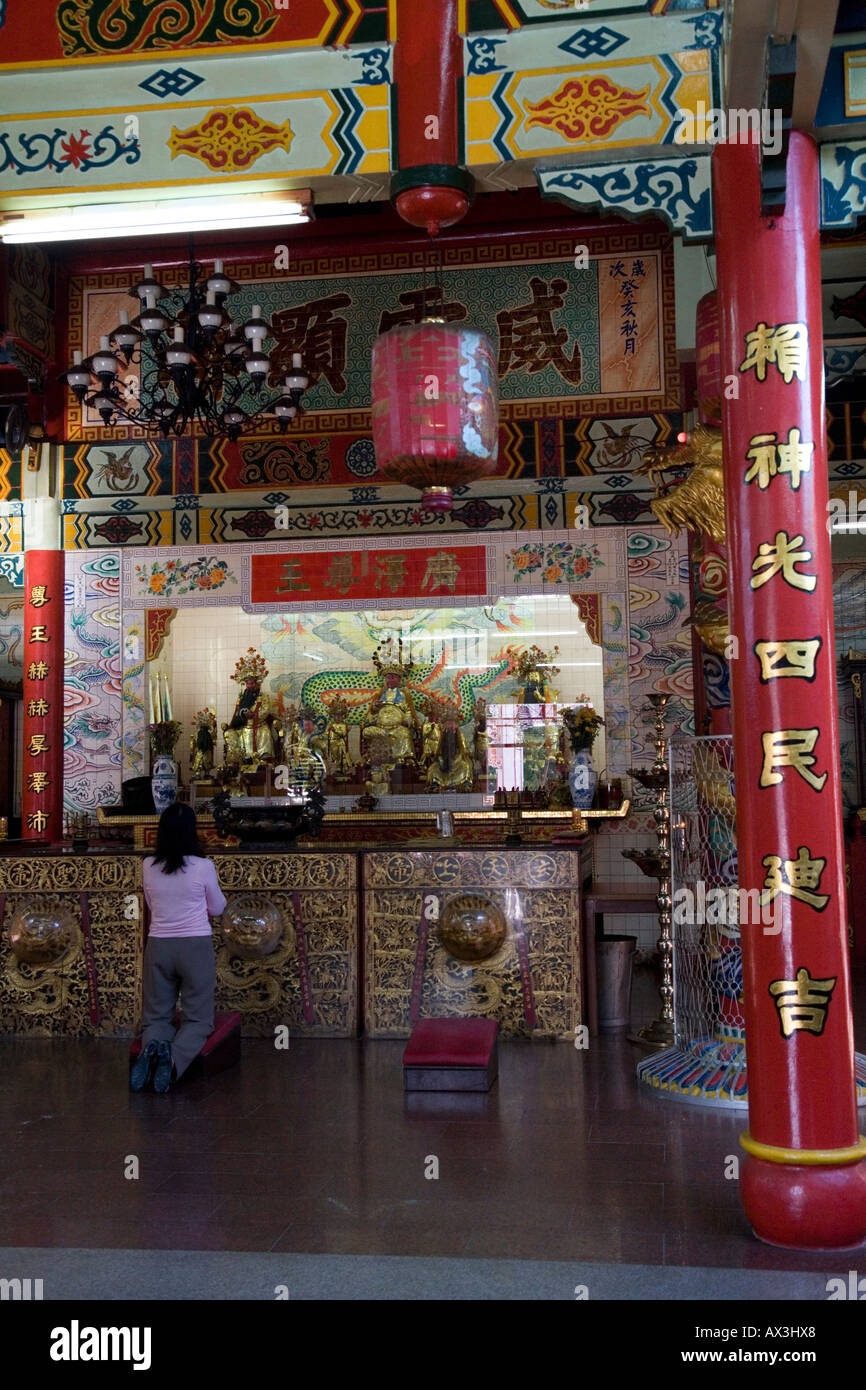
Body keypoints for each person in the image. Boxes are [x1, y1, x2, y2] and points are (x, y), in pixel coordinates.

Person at [130, 803, 227, 1094]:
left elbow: (150, 904)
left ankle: (154, 1049)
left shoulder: (148, 865)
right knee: (198, 1019)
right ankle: (173, 1059)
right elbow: (218, 907)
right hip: (194, 947)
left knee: (156, 1016)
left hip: (159, 945)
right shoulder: (202, 866)